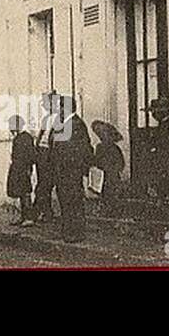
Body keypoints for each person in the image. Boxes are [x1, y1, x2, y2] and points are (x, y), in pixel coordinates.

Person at [53, 95, 93, 242]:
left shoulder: (76, 124)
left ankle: (76, 233)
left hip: (71, 171)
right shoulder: (65, 124)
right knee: (65, 201)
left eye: (61, 107)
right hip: (63, 171)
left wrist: (78, 169)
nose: (59, 110)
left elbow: (82, 150)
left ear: (67, 108)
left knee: (74, 202)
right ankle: (67, 231)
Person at [29, 91, 60, 225]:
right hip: (41, 155)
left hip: (50, 155)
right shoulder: (46, 118)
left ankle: (38, 213)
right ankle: (45, 213)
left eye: (46, 102)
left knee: (44, 186)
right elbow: (41, 136)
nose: (44, 105)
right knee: (43, 185)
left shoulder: (60, 118)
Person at [6, 114, 36, 226]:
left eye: (11, 125)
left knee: (25, 193)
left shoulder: (26, 137)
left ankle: (29, 218)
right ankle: (23, 217)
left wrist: (28, 168)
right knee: (20, 192)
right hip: (17, 168)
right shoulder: (18, 137)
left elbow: (31, 155)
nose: (10, 128)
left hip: (23, 168)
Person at [90, 121, 126, 212]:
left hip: (108, 175)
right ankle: (110, 208)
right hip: (108, 174)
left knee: (108, 192)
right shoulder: (109, 147)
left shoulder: (102, 147)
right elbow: (121, 163)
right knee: (108, 193)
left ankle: (109, 208)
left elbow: (97, 161)